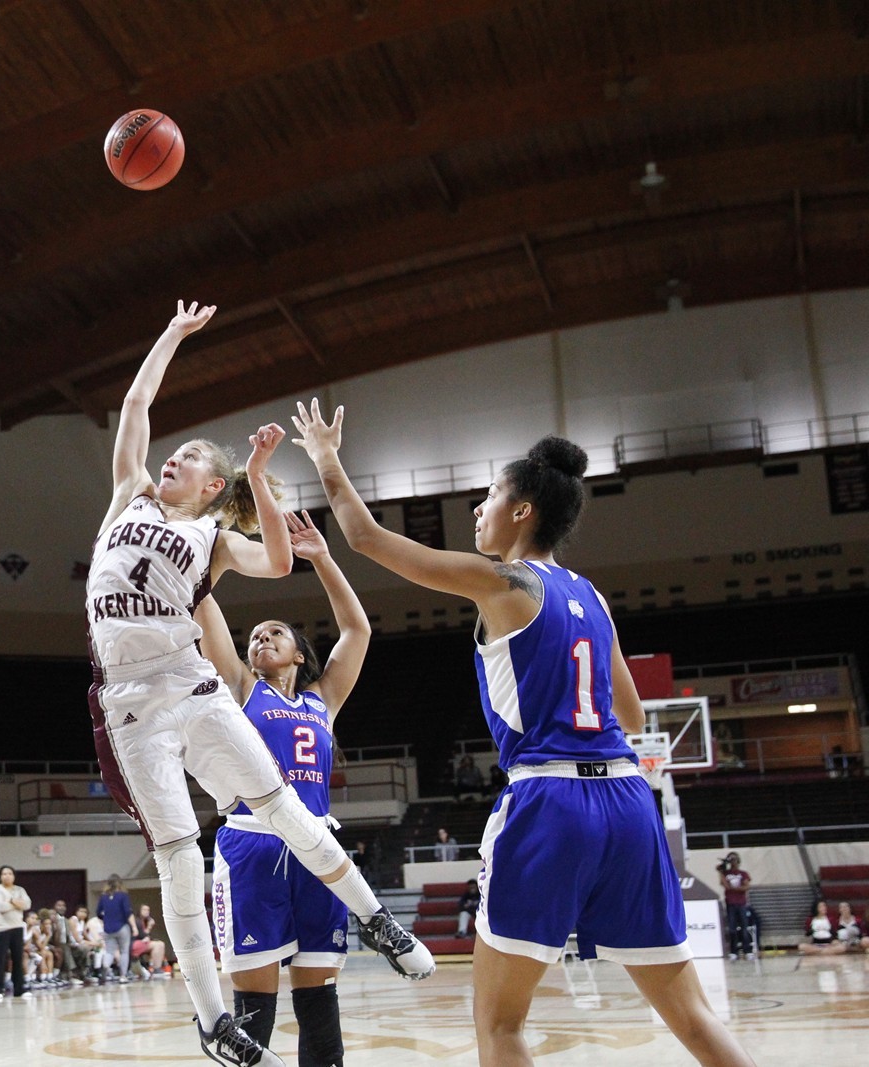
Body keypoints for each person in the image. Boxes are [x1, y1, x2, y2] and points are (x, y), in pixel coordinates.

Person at [291, 399, 754, 1067]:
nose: (478, 509)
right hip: (629, 803)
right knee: (692, 1016)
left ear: (522, 510)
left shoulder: (506, 580)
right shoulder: (590, 594)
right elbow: (630, 716)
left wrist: (326, 457)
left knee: (501, 1025)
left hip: (551, 801)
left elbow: (366, 539)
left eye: (488, 496)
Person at [86, 303, 429, 1067]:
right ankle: (215, 1023)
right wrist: (170, 336)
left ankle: (377, 919)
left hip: (189, 681)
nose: (172, 461)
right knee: (178, 853)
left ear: (213, 489)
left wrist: (263, 477)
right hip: (129, 701)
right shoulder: (128, 496)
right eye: (172, 455)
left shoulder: (213, 538)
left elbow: (277, 562)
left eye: (191, 460)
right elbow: (138, 405)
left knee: (277, 799)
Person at [194, 508, 374, 1067]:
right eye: (254, 636)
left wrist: (321, 558)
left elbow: (357, 630)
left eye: (274, 633)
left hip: (317, 848)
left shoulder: (324, 699)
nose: (260, 640)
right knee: (255, 1005)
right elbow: (204, 610)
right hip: (255, 844)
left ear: (298, 652)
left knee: (319, 997)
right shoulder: (242, 688)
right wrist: (195, 541)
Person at [0, 865, 30, 1000]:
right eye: (4, 874)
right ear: (0, 876)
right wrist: (16, 902)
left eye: (10, 873)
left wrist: (11, 902)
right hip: (2, 928)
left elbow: (27, 905)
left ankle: (19, 989)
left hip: (17, 927)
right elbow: (1, 907)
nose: (7, 876)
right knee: (0, 959)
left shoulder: (20, 889)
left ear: (14, 876)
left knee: (18, 958)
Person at [95, 874, 137, 982]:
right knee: (124, 951)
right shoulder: (123, 895)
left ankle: (105, 965)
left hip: (108, 928)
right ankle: (123, 976)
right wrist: (134, 927)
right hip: (122, 927)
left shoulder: (103, 897)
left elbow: (98, 912)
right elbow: (128, 912)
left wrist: (106, 919)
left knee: (109, 951)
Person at [717, 852, 758, 960]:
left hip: (742, 904)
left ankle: (747, 951)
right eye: (731, 860)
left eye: (734, 860)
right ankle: (733, 951)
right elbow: (725, 885)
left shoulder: (743, 873)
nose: (733, 862)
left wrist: (734, 889)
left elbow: (746, 886)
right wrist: (720, 872)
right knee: (732, 929)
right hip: (731, 904)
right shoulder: (726, 874)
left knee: (744, 928)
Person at [130, 903, 167, 978]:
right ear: (139, 911)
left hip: (140, 943)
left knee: (159, 943)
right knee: (158, 945)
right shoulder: (137, 921)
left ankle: (156, 967)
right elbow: (141, 935)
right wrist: (149, 927)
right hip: (133, 943)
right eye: (144, 909)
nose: (146, 911)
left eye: (148, 910)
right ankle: (156, 968)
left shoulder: (145, 921)